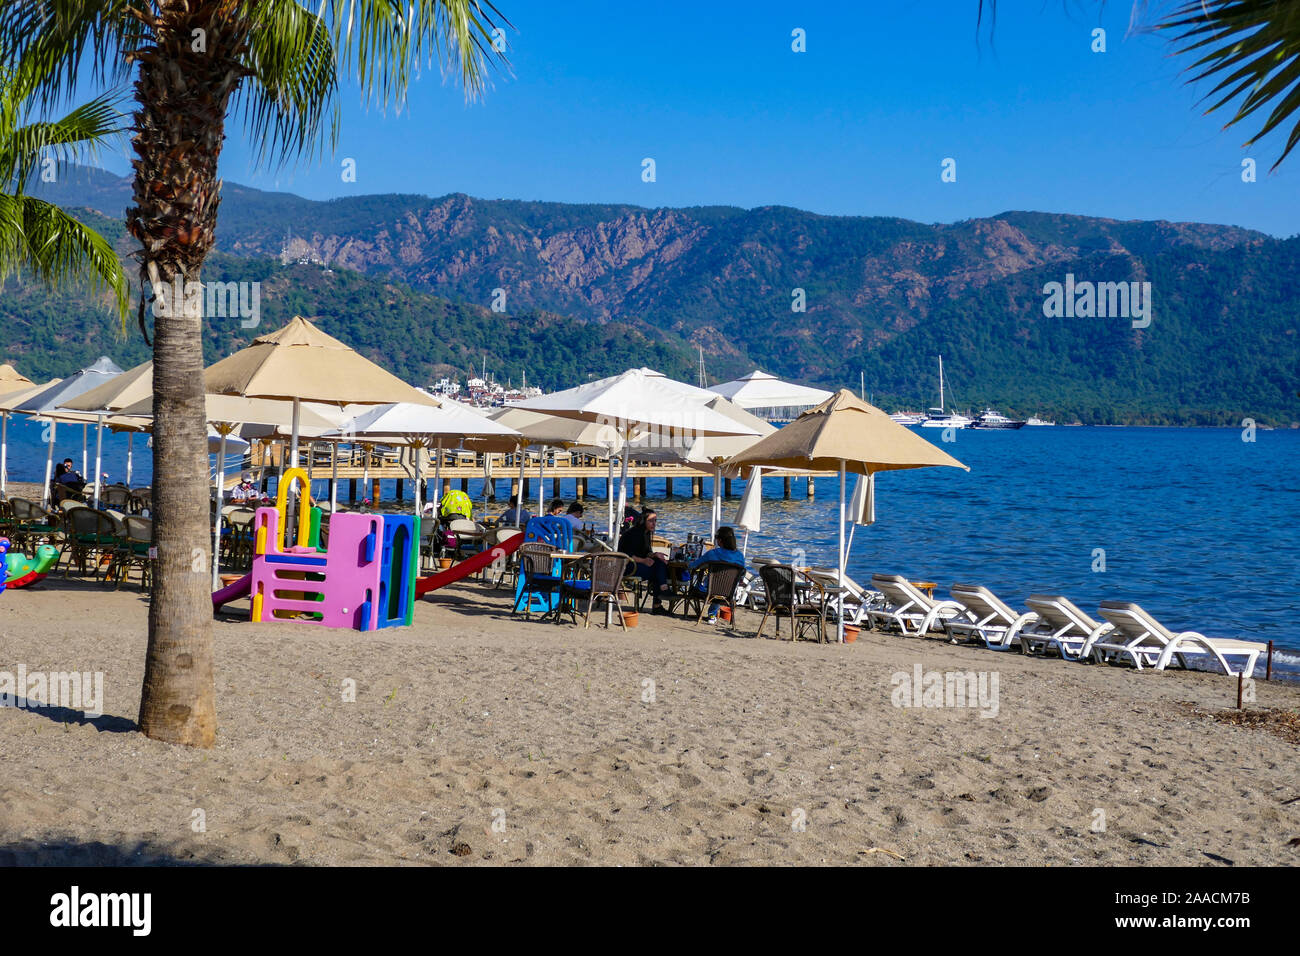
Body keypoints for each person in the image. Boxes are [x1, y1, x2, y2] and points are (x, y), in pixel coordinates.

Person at [689, 526, 747, 623]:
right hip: (730, 593)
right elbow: (741, 576)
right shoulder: (740, 556)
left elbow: (694, 566)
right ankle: (712, 614)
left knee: (701, 584)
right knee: (720, 584)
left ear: (720, 540)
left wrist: (687, 564)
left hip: (710, 592)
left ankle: (709, 614)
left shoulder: (713, 553)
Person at [620, 508, 670, 614]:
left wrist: (654, 555)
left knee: (660, 563)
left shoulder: (646, 533)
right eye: (651, 521)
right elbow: (627, 555)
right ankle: (660, 597)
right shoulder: (634, 534)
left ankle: (662, 591)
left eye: (655, 521)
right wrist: (643, 561)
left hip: (639, 564)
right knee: (657, 572)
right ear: (643, 521)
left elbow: (646, 552)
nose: (654, 523)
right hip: (628, 566)